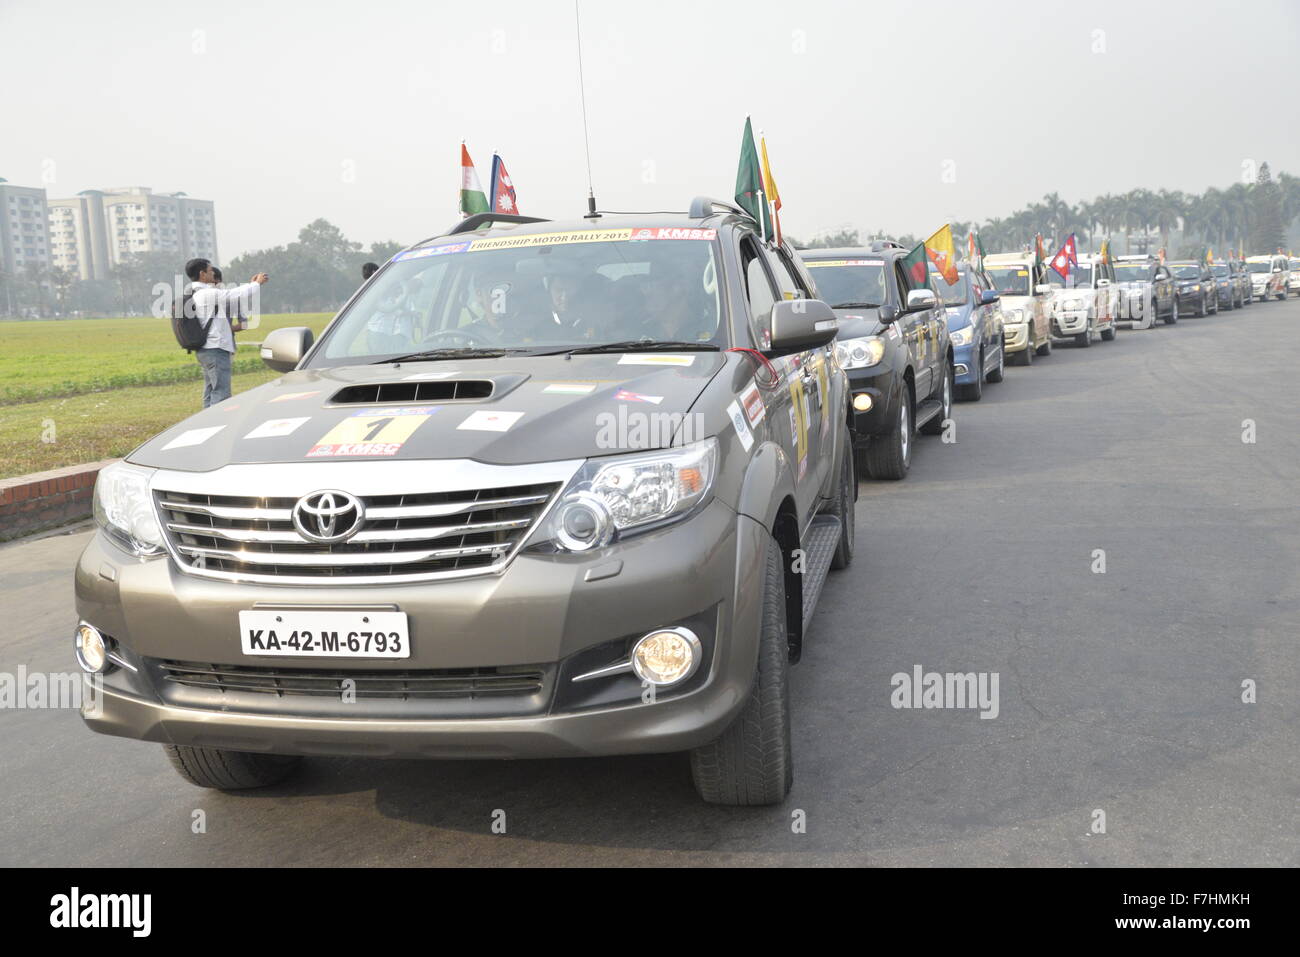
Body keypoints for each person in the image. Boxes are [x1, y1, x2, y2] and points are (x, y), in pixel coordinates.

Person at [186, 258, 268, 408]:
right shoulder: (206, 293)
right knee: (221, 393)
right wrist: (257, 284)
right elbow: (234, 294)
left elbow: (233, 295)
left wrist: (250, 285)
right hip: (215, 349)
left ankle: (206, 422)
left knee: (210, 389)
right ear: (202, 274)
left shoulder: (196, 292)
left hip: (206, 349)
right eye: (210, 271)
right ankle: (217, 423)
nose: (212, 274)